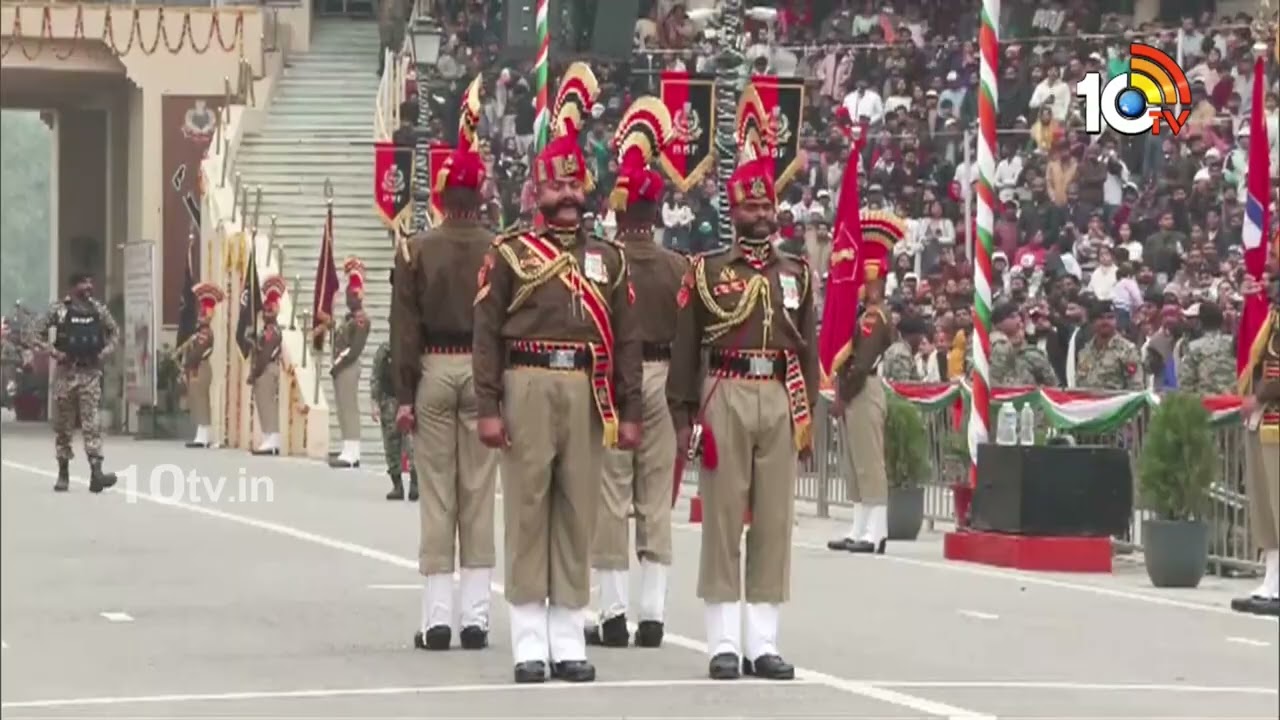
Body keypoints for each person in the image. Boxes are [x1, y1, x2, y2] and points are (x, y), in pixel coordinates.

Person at [472, 62, 642, 684]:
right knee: (527, 507)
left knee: (578, 512)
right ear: (537, 193)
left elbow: (627, 341)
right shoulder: (509, 252)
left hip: (589, 391)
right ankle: (527, 639)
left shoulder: (609, 259)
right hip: (526, 383)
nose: (568, 197)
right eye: (556, 189)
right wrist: (487, 406)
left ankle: (570, 637)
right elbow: (485, 336)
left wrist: (630, 411)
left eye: (576, 187)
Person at [666, 87, 818, 682]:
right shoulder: (706, 271)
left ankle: (764, 642)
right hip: (725, 392)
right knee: (724, 516)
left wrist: (805, 423)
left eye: (768, 206)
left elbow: (803, 349)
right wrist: (682, 418)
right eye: (750, 208)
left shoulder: (797, 274)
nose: (761, 215)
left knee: (775, 520)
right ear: (734, 212)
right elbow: (684, 352)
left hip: (779, 396)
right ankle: (722, 642)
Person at [392, 75, 501, 653]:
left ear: (441, 195)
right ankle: (478, 617)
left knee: (436, 493)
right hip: (483, 377)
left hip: (434, 369)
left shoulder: (417, 248)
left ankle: (437, 620)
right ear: (479, 197)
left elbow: (404, 328)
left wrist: (404, 395)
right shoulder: (501, 249)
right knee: (478, 493)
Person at [584, 97, 686, 649]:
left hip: (613, 381)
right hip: (666, 380)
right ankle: (654, 616)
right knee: (655, 499)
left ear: (622, 211)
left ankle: (614, 613)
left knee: (610, 497)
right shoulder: (678, 266)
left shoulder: (602, 260)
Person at [826, 211, 902, 555]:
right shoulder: (862, 314)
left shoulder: (876, 316)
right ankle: (859, 526)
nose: (863, 287)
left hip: (864, 389)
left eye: (869, 281)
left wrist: (843, 395)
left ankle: (876, 531)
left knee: (870, 462)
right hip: (853, 390)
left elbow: (861, 361)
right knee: (854, 464)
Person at [26, 271, 120, 492]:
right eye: (83, 283)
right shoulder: (59, 310)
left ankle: (96, 473)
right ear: (72, 287)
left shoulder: (98, 309)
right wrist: (54, 352)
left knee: (92, 424)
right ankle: (63, 473)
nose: (88, 286)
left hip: (90, 374)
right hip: (66, 374)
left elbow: (114, 332)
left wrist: (104, 353)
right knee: (63, 426)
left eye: (90, 282)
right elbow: (33, 334)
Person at [1233, 262, 1280, 617]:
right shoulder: (1273, 318)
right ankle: (1272, 579)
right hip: (1265, 419)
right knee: (1265, 508)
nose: (1269, 286)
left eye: (1274, 280)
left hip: (1275, 416)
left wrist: (1258, 396)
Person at [330, 257, 371, 468]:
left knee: (350, 407)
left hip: (348, 365)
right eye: (348, 294)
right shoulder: (349, 319)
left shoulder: (361, 320)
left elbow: (354, 349)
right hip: (341, 366)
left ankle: (353, 450)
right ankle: (347, 446)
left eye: (352, 294)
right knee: (342, 407)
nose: (349, 298)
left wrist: (338, 363)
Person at [371, 336, 417, 500]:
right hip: (389, 400)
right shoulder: (384, 350)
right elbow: (376, 376)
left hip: (411, 400)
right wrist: (375, 402)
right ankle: (397, 485)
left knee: (412, 443)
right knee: (391, 445)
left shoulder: (414, 347)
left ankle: (415, 483)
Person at [184, 283, 226, 448]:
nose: (200, 316)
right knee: (198, 400)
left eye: (203, 314)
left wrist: (188, 364)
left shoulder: (205, 332)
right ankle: (203, 434)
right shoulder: (200, 331)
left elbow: (198, 352)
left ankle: (203, 436)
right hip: (198, 367)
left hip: (200, 367)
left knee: (200, 400)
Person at [249, 276, 286, 455]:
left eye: (269, 309)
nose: (266, 312)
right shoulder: (266, 330)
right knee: (263, 403)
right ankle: (269, 437)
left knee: (267, 403)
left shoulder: (272, 331)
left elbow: (265, 354)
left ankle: (272, 439)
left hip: (266, 369)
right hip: (263, 369)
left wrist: (254, 373)